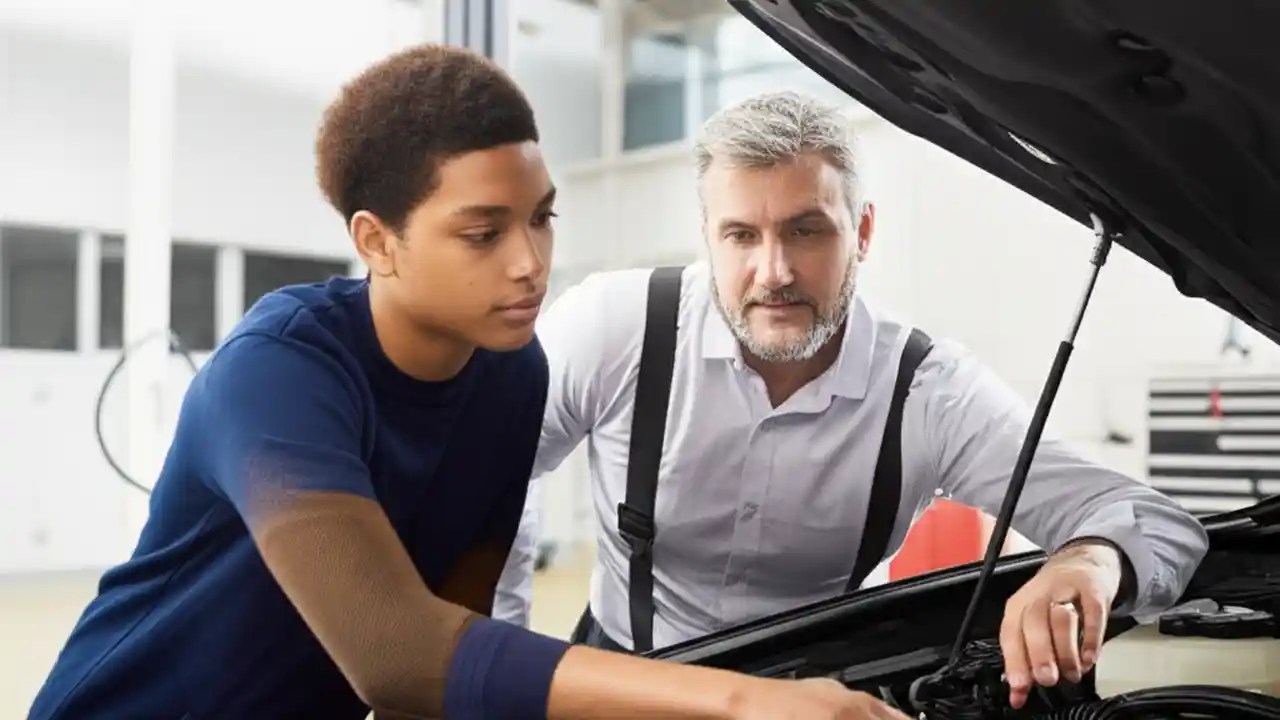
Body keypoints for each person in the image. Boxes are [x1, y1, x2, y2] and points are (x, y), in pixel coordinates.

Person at [27, 48, 911, 720]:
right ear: (377, 242)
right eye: (482, 234)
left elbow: (448, 663)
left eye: (541, 218)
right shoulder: (278, 370)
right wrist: (744, 702)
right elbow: (399, 653)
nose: (531, 263)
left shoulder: (512, 379)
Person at [497, 90, 1210, 710]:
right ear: (707, 239)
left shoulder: (928, 392)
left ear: (862, 232)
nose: (773, 272)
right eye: (742, 235)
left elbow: (1156, 521)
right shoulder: (616, 328)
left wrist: (1089, 558)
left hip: (821, 700)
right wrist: (495, 647)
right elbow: (484, 472)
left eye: (807, 230)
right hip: (625, 681)